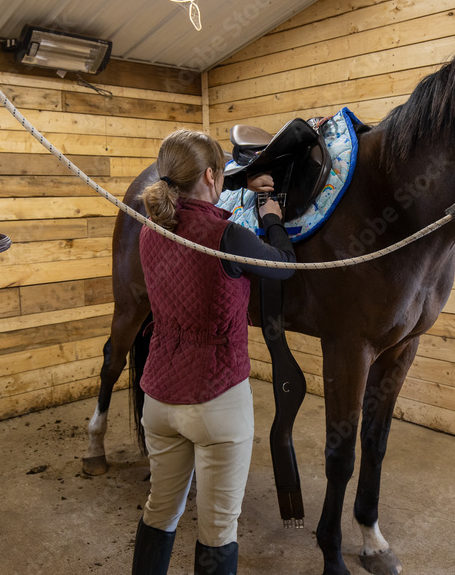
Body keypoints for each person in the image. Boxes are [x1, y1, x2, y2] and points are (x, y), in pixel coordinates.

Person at [132, 129, 296, 575]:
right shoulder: (229, 235)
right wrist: (272, 216)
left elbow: (196, 211)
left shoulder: (152, 229)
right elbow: (284, 266)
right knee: (219, 527)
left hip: (160, 399)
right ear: (210, 175)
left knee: (159, 512)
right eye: (220, 174)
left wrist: (242, 186)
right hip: (217, 399)